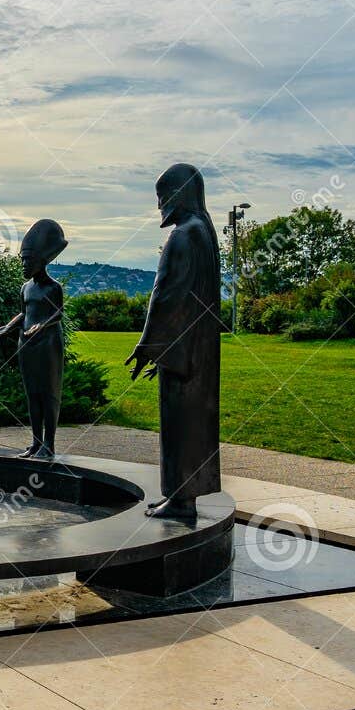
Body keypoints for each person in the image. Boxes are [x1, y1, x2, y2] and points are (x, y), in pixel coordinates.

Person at [126, 164, 222, 519]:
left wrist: (149, 347)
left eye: (161, 196)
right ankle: (185, 497)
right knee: (194, 423)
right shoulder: (204, 234)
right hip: (198, 351)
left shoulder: (183, 235)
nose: (159, 205)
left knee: (179, 424)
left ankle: (181, 500)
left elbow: (165, 297)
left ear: (178, 194)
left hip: (183, 355)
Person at [0, 219, 67, 458]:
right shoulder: (26, 287)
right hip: (26, 344)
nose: (24, 265)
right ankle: (36, 442)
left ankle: (49, 444)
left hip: (48, 345)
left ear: (41, 261)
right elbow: (24, 312)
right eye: (22, 260)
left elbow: (58, 314)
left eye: (28, 261)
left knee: (49, 394)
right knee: (32, 394)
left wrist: (42, 325)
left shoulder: (53, 287)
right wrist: (9, 326)